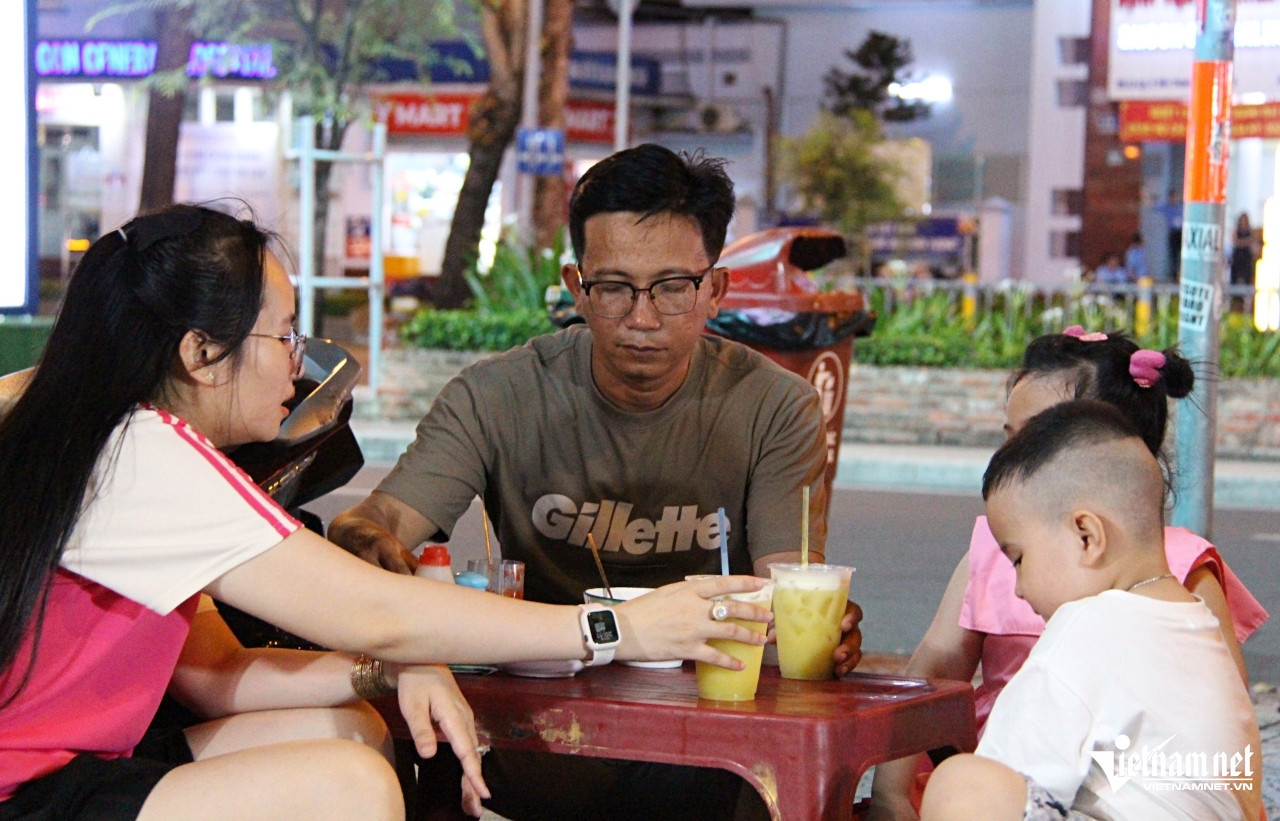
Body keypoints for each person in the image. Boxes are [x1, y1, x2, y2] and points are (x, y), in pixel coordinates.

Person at [0, 203, 773, 821]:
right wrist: (617, 628)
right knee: (350, 786)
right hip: (27, 792)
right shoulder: (146, 456)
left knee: (352, 728)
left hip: (71, 772)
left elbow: (219, 674)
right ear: (201, 353)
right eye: (284, 333)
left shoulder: (107, 435)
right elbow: (375, 610)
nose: (300, 360)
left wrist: (388, 671)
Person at [329, 143, 863, 820]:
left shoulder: (775, 408)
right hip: (533, 732)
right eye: (613, 287)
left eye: (672, 287)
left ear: (715, 289)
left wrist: (821, 625)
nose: (642, 317)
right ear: (576, 287)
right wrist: (380, 560)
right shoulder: (496, 396)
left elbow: (787, 596)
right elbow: (367, 527)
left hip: (707, 741)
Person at [867, 327, 1267, 821]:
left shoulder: (1084, 626)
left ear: (1087, 535)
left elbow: (1003, 771)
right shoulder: (1194, 624)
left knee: (964, 782)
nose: (1019, 587)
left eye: (1019, 560)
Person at [1231, 212, 1257, 287]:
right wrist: (1245, 242)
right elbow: (1235, 241)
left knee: (1248, 276)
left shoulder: (1250, 230)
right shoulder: (1236, 230)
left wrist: (1242, 242)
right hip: (1238, 256)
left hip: (1246, 256)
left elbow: (1252, 240)